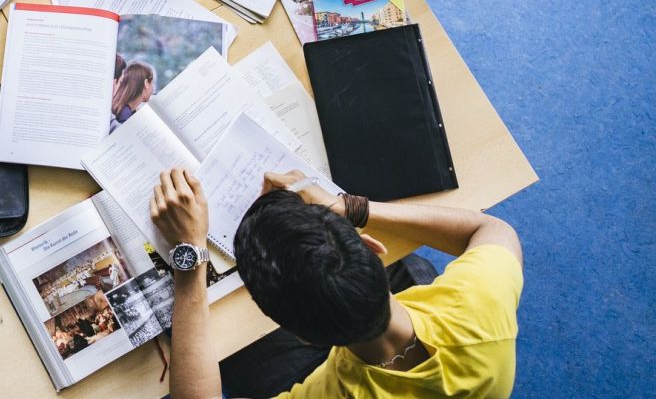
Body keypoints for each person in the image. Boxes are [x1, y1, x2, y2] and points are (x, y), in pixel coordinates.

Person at [150, 167, 523, 398]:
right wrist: (351, 206)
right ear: (373, 247)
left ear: (305, 338)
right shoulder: (479, 304)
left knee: (238, 355)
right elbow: (491, 227)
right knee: (412, 267)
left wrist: (190, 261)